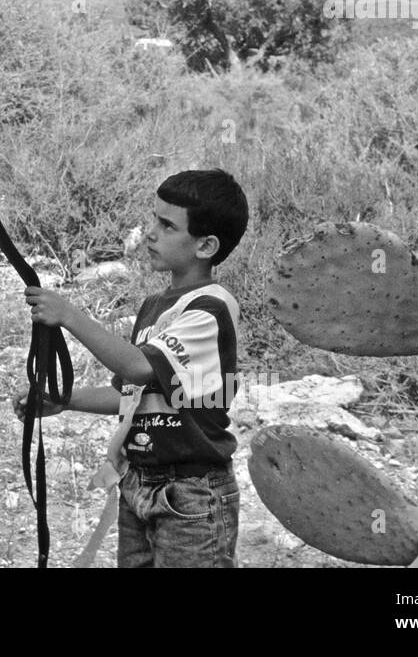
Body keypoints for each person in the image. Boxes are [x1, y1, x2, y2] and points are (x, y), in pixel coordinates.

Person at [14, 168, 249, 567]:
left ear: (206, 245)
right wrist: (63, 399)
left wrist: (68, 315)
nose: (150, 233)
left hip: (192, 492)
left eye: (167, 225)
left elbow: (140, 368)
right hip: (139, 483)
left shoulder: (209, 308)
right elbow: (134, 395)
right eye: (154, 219)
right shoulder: (153, 307)